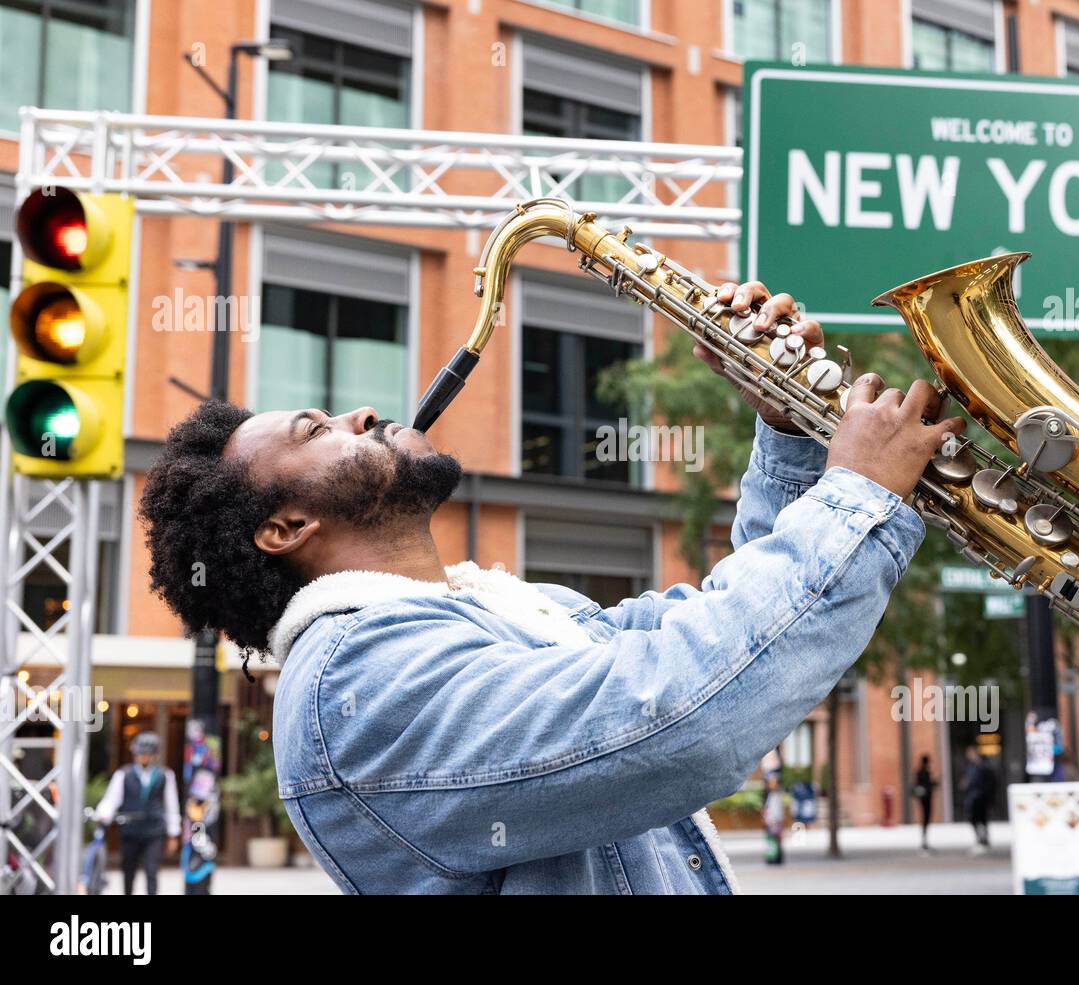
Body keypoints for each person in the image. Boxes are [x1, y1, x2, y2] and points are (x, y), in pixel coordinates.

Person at [138, 280, 963, 895]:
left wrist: (789, 433)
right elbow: (680, 717)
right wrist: (858, 494)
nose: (355, 413)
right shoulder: (355, 686)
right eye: (313, 432)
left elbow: (710, 632)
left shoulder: (498, 613)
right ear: (283, 530)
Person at [92, 732, 181, 895]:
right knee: (128, 870)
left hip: (154, 830)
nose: (143, 757)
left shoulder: (165, 775)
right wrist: (103, 814)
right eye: (140, 753)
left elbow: (171, 805)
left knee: (152, 871)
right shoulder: (124, 774)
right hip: (130, 830)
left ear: (154, 755)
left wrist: (173, 833)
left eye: (147, 754)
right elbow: (112, 800)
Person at [961, 746, 993, 854]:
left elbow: (978, 781)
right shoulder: (972, 766)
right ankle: (981, 840)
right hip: (974, 796)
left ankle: (983, 841)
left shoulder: (981, 766)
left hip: (978, 797)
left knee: (979, 819)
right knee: (976, 819)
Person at [760, 749, 784, 865]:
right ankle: (773, 856)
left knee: (775, 835)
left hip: (774, 816)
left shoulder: (775, 795)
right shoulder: (770, 795)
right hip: (771, 814)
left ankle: (776, 856)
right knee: (771, 836)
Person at [913, 754, 935, 853]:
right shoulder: (924, 772)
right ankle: (924, 841)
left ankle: (924, 841)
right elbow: (927, 785)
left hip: (923, 798)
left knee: (925, 819)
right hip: (926, 798)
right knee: (926, 819)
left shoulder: (920, 772)